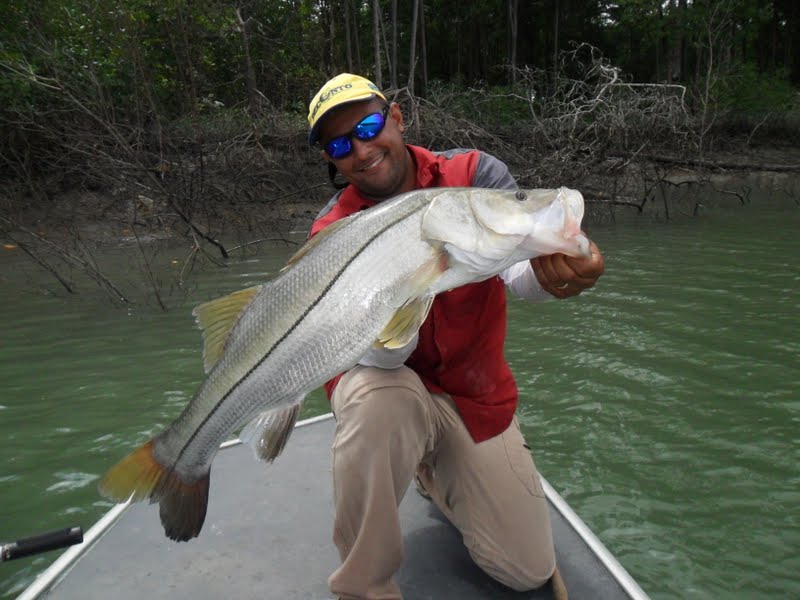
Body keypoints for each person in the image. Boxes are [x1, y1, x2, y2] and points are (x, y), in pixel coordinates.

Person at [306, 73, 605, 600]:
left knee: (527, 570)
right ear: (332, 160)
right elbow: (374, 355)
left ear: (397, 119)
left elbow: (516, 273)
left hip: (476, 397)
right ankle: (363, 586)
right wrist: (401, 293)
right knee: (378, 399)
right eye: (339, 143)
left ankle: (435, 473)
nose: (361, 147)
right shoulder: (333, 232)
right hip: (387, 392)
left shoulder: (474, 174)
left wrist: (557, 275)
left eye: (369, 125)